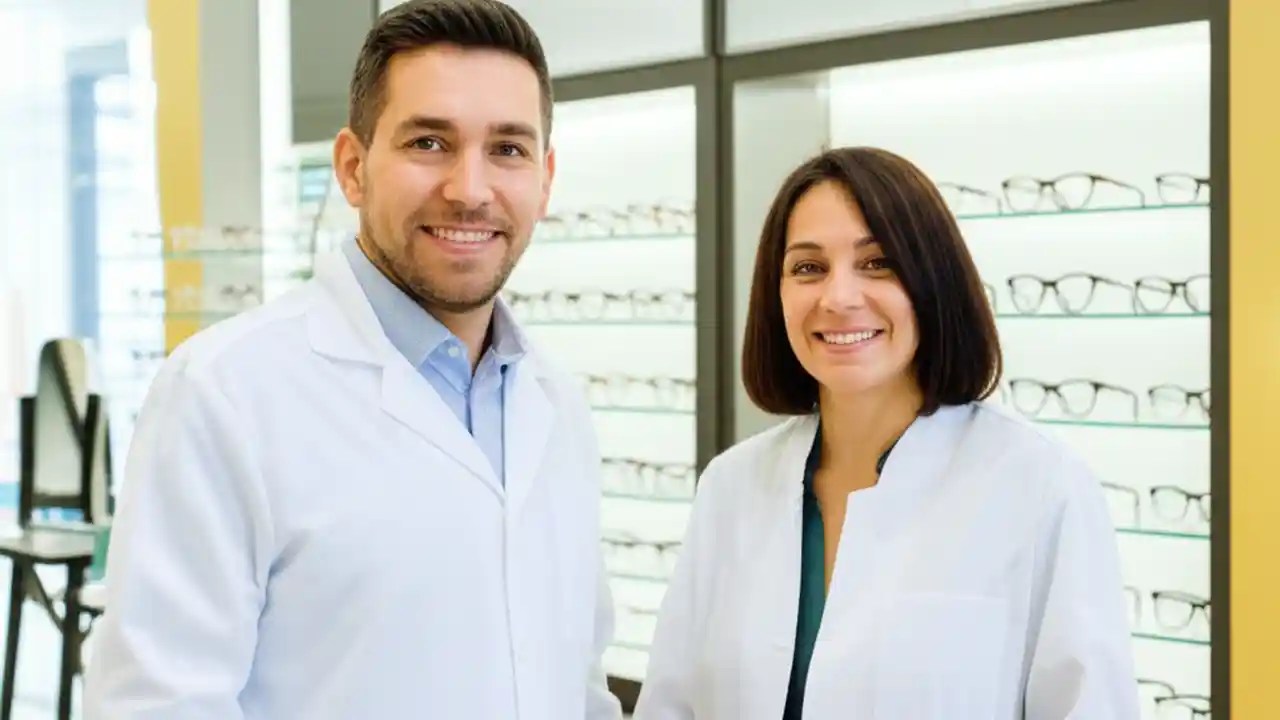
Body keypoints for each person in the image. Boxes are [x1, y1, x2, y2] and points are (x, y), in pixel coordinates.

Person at [83, 2, 622, 718]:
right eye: (429, 142)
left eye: (508, 149)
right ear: (353, 167)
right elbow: (157, 703)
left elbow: (576, 684)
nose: (469, 189)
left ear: (545, 178)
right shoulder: (224, 393)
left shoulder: (556, 405)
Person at [632, 147, 1140, 720]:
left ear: (934, 282)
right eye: (808, 268)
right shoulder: (731, 486)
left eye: (877, 263)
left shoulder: (1039, 485)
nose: (839, 298)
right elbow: (671, 705)